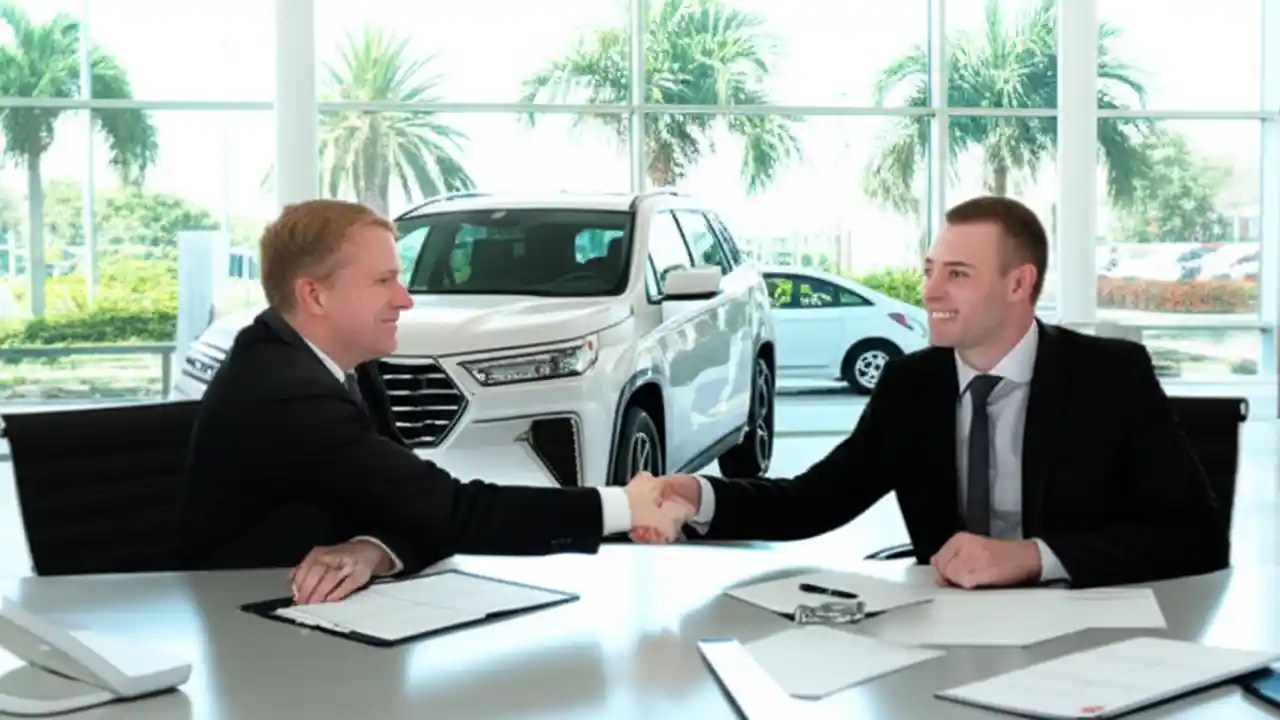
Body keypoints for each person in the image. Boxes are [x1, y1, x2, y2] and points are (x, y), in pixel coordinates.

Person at [633, 196, 1229, 589]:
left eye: (957, 274)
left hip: (1086, 645)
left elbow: (1195, 536)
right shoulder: (911, 385)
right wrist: (699, 494)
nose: (929, 291)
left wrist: (1031, 557)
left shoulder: (1110, 376)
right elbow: (813, 500)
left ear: (1020, 283)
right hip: (942, 642)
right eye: (929, 269)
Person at [176, 199, 691, 603]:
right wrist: (627, 505)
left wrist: (374, 550)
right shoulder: (284, 390)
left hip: (323, 614)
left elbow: (412, 502)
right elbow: (449, 511)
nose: (405, 298)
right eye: (384, 280)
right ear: (314, 295)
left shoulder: (349, 364)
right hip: (253, 625)